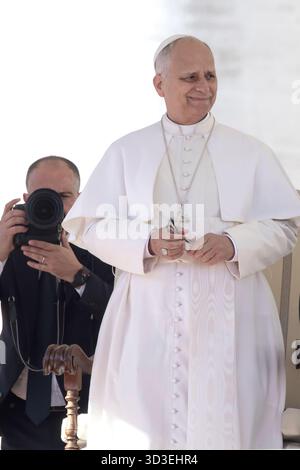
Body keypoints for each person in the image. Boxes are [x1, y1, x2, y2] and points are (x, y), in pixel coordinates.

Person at [62, 35, 300, 450]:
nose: (204, 87)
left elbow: (287, 225)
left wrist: (233, 243)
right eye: (190, 77)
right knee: (144, 429)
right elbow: (87, 225)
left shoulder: (251, 152)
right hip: (147, 314)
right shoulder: (127, 151)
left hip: (233, 311)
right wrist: (146, 243)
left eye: (210, 76)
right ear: (160, 85)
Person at [0, 156, 114, 450]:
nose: (52, 205)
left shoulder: (104, 244)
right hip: (19, 409)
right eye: (42, 196)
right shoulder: (10, 244)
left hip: (89, 408)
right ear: (26, 200)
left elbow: (121, 315)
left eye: (63, 197)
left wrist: (77, 275)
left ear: (79, 199)